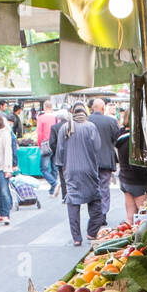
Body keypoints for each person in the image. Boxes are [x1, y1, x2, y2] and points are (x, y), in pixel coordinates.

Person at [56, 103, 104, 246]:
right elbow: (97, 147)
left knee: (73, 202)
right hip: (89, 169)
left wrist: (63, 167)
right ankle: (92, 231)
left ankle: (77, 238)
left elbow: (60, 152)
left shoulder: (65, 128)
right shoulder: (90, 127)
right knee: (95, 199)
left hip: (71, 170)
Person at [114, 111, 147, 226]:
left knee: (130, 219)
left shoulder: (120, 136)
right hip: (137, 182)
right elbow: (138, 166)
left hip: (125, 179)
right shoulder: (134, 139)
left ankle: (129, 238)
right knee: (145, 217)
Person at [89, 98, 121, 221]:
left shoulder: (87, 121)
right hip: (106, 160)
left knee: (93, 187)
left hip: (91, 161)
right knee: (104, 187)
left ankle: (95, 214)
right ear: (103, 108)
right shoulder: (110, 121)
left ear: (92, 108)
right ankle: (103, 213)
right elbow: (116, 138)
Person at [36, 100, 58, 195]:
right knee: (54, 167)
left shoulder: (41, 118)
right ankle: (53, 189)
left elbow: (39, 133)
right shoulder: (56, 118)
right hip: (55, 143)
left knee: (43, 168)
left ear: (44, 107)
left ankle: (54, 183)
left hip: (45, 143)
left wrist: (39, 144)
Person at [48, 109, 70, 201]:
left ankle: (64, 196)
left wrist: (56, 151)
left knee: (62, 176)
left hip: (60, 154)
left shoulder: (54, 127)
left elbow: (52, 143)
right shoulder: (71, 126)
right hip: (71, 154)